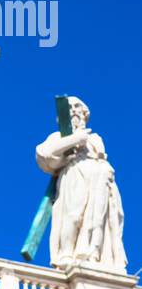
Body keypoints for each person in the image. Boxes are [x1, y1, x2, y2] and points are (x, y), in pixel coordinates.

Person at [35, 96, 126, 271]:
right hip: (75, 174)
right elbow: (44, 153)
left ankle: (94, 254)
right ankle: (67, 256)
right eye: (69, 107)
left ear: (84, 113)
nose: (73, 110)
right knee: (73, 215)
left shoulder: (95, 138)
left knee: (97, 220)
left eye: (77, 106)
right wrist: (75, 139)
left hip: (100, 178)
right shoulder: (59, 136)